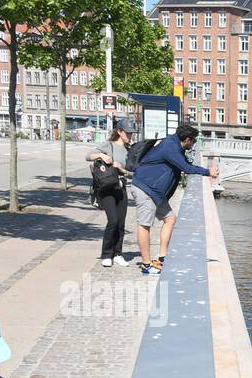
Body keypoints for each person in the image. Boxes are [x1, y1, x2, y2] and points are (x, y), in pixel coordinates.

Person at [131, 123, 220, 276]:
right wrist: (208, 171)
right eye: (193, 141)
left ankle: (163, 257)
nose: (193, 145)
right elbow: (187, 168)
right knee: (145, 225)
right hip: (146, 188)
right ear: (187, 140)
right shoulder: (170, 147)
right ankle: (146, 264)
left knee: (170, 218)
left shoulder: (174, 145)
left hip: (155, 192)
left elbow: (183, 164)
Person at [86, 118, 134, 268]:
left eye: (131, 133)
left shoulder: (130, 150)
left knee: (121, 223)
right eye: (127, 133)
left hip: (121, 188)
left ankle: (118, 254)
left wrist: (122, 169)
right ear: (119, 131)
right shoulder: (108, 145)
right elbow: (88, 156)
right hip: (106, 188)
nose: (130, 136)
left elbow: (133, 173)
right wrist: (101, 156)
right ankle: (107, 254)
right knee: (112, 220)